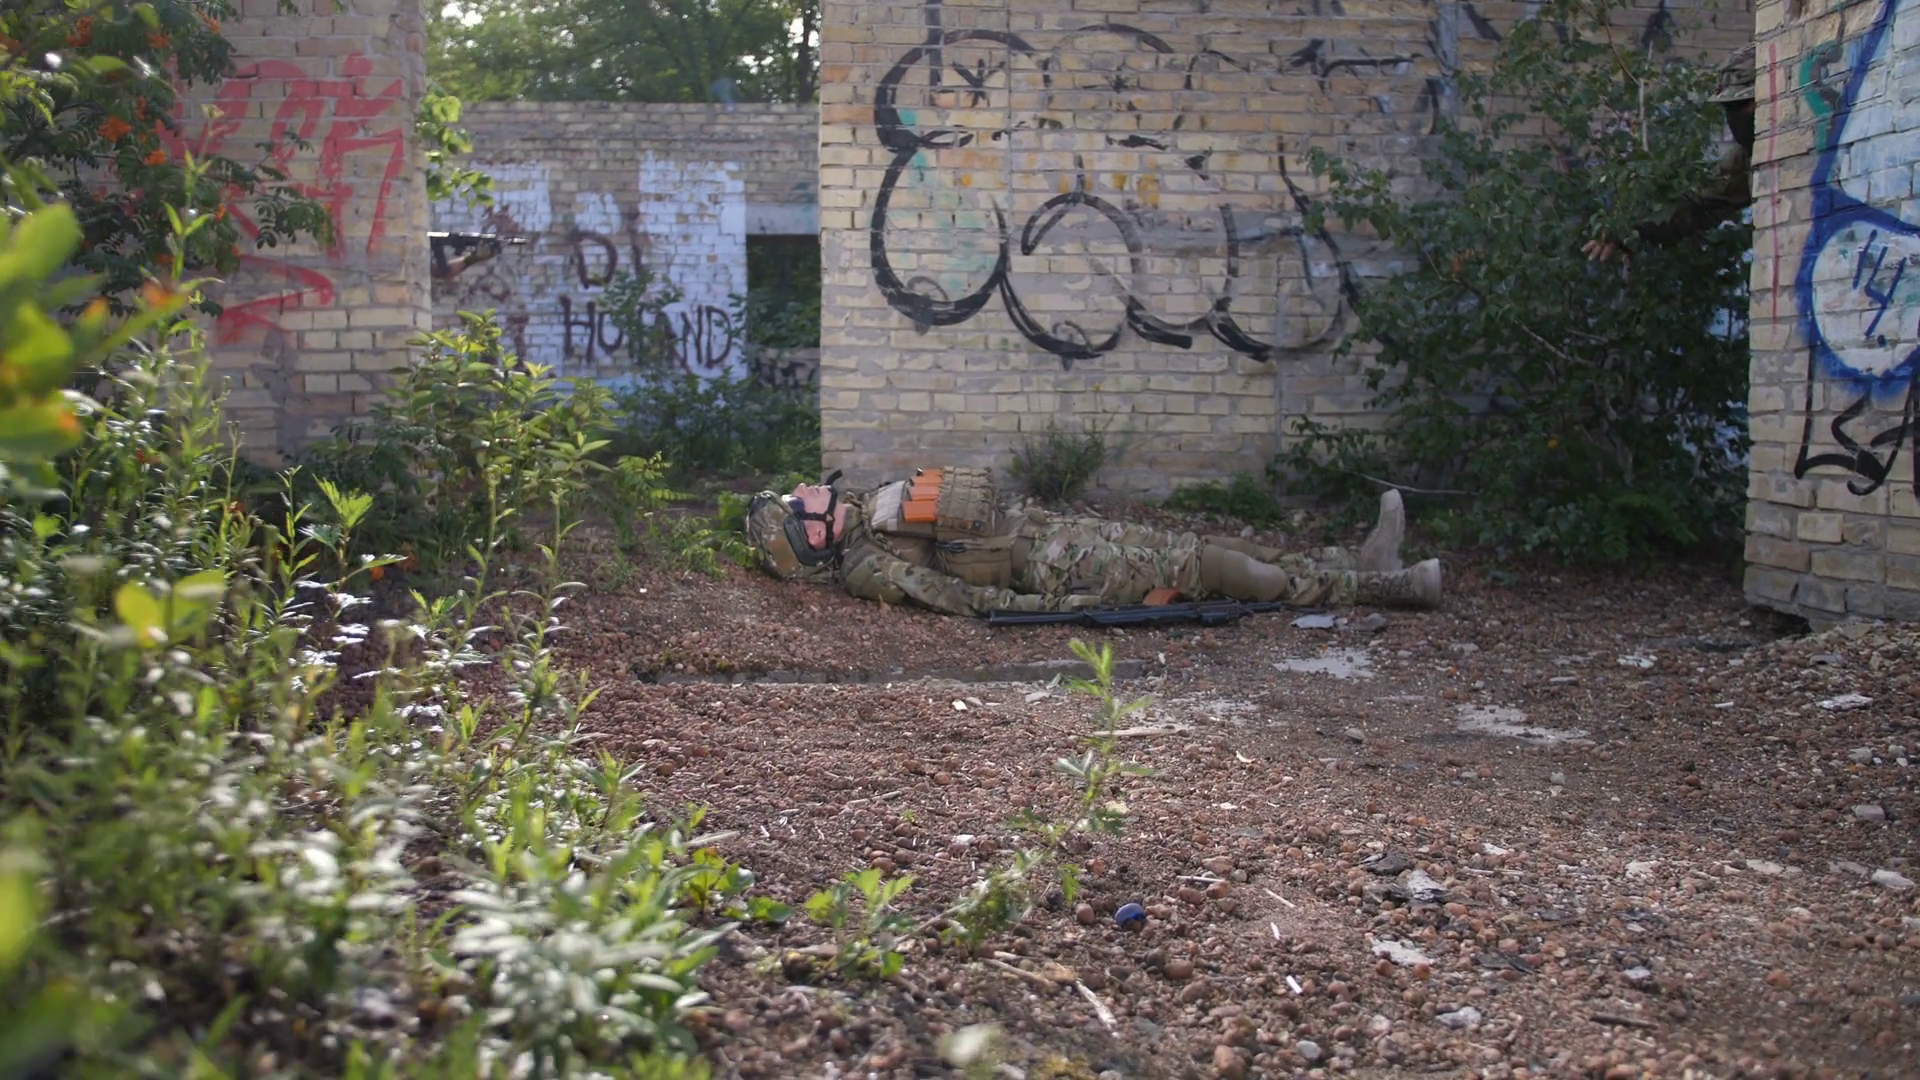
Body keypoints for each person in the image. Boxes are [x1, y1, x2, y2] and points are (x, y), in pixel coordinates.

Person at [744, 467, 1442, 617]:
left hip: (1060, 533)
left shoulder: (865, 510)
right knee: (1226, 571)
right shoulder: (869, 565)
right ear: (811, 536)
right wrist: (1061, 608)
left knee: (1200, 547)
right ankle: (1387, 588)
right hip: (1057, 567)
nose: (805, 488)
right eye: (797, 502)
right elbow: (962, 598)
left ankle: (1351, 562)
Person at [1583, 44, 1755, 263]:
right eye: (1730, 107)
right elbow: (1698, 204)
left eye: (1745, 104)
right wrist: (1625, 232)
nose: (1738, 115)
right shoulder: (1747, 158)